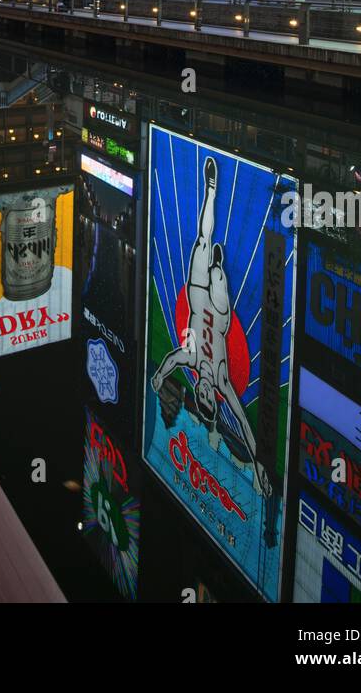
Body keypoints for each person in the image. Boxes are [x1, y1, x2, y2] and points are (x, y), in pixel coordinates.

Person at [151, 155, 271, 497]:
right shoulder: (220, 380)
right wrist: (259, 464)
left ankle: (211, 197)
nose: (203, 394)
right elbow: (245, 426)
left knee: (202, 242)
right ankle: (218, 259)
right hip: (216, 309)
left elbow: (173, 359)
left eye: (200, 398)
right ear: (213, 399)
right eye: (208, 401)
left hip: (193, 293)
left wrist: (160, 375)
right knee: (218, 278)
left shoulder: (191, 361)